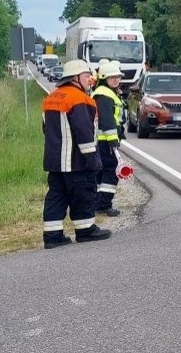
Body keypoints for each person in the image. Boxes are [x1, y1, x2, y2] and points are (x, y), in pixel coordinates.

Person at [40, 60, 112, 249]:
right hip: (77, 162)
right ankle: (86, 230)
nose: (91, 80)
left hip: (55, 162)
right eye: (87, 76)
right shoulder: (80, 99)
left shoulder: (50, 98)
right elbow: (84, 133)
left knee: (56, 196)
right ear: (75, 78)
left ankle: (52, 236)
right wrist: (93, 161)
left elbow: (45, 130)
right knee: (84, 194)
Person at [93, 60, 126, 217]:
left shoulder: (105, 92)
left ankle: (98, 202)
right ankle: (104, 204)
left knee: (101, 172)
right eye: (113, 78)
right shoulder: (104, 95)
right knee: (111, 171)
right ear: (104, 78)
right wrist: (113, 142)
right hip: (105, 140)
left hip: (102, 140)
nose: (116, 80)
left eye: (118, 77)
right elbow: (107, 120)